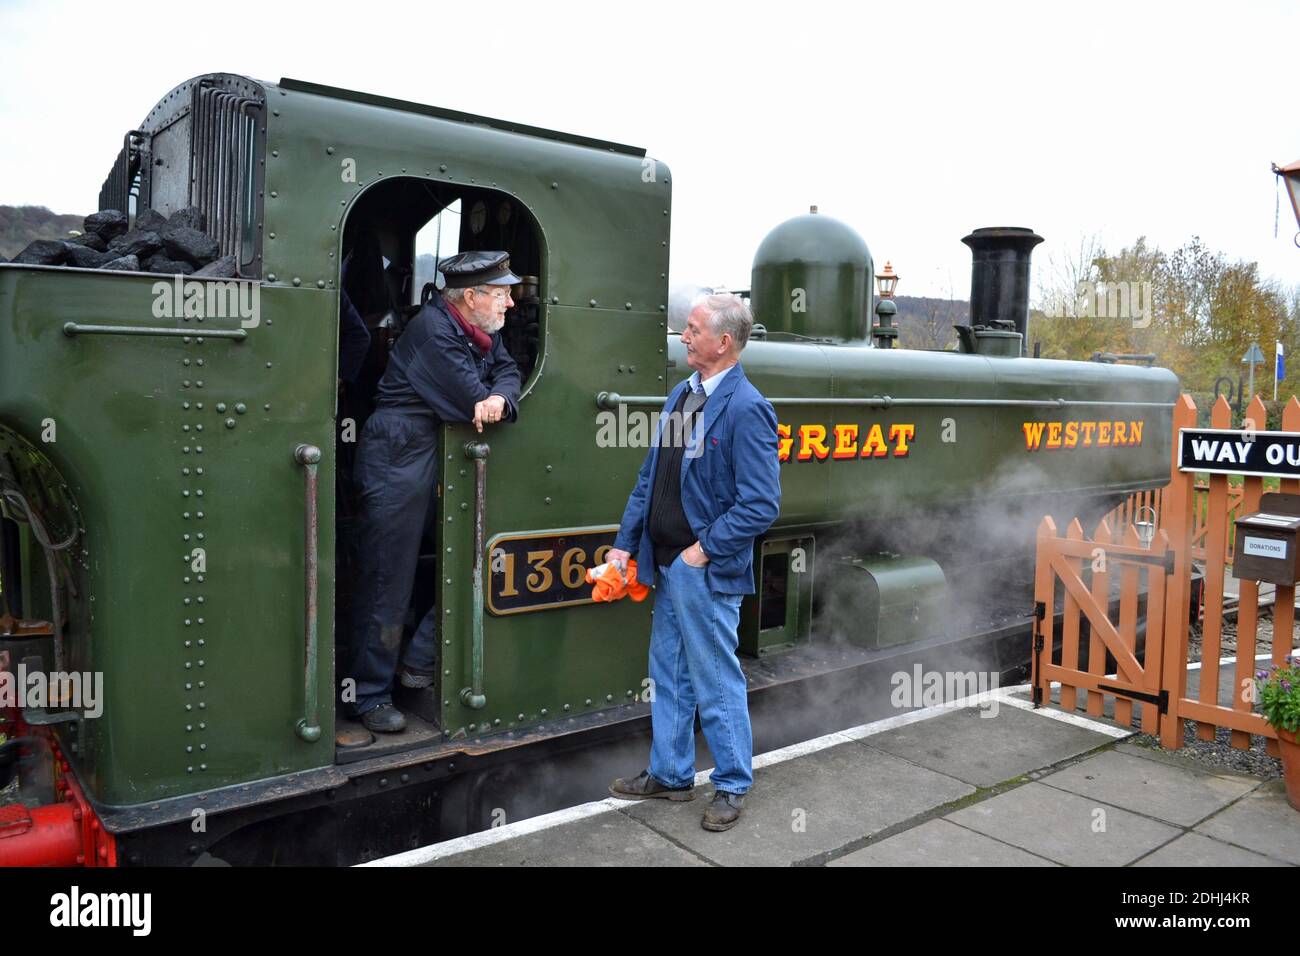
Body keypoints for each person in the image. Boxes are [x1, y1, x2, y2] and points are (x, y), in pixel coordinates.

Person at [606, 293, 781, 831]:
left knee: (715, 679)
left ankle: (731, 786)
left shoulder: (748, 409)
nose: (684, 336)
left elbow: (761, 503)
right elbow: (650, 479)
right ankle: (672, 775)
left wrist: (700, 553)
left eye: (693, 328)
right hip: (665, 564)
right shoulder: (683, 395)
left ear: (723, 342)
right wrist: (623, 544)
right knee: (670, 673)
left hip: (702, 569)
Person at [346, 250, 522, 733]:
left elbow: (508, 372)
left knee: (458, 564)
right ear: (472, 296)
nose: (510, 302)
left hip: (429, 454)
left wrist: (500, 397)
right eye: (502, 293)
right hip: (398, 457)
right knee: (387, 579)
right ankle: (367, 695)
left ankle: (416, 660)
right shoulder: (433, 333)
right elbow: (467, 401)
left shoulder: (477, 331)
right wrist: (484, 399)